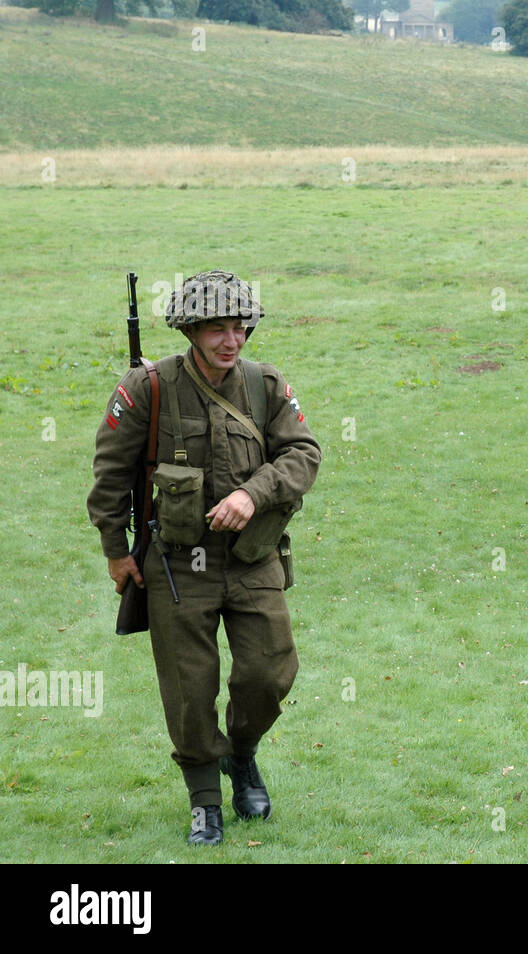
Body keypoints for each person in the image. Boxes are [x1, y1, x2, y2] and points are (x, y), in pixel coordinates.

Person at [88, 270, 321, 844]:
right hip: (174, 563)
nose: (230, 340)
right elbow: (111, 473)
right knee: (190, 689)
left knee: (270, 672)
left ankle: (241, 755)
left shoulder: (266, 386)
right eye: (216, 328)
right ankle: (204, 799)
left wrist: (253, 493)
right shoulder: (150, 387)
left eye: (239, 327)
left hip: (252, 558)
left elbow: (304, 455)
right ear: (191, 330)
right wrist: (116, 553)